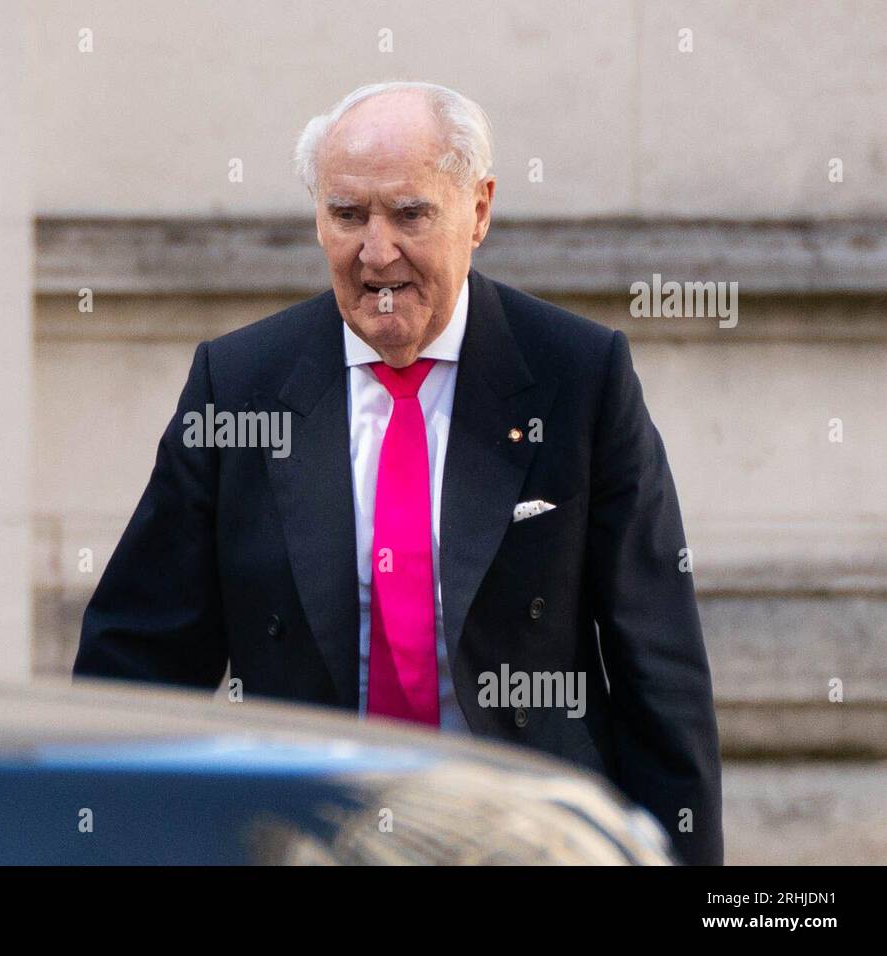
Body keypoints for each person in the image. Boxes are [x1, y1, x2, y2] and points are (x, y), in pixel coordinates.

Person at [74, 81, 723, 865]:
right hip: (305, 839)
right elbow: (138, 664)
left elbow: (660, 671)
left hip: (521, 838)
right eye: (347, 215)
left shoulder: (578, 377)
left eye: (410, 214)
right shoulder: (240, 384)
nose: (376, 252)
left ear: (478, 210)